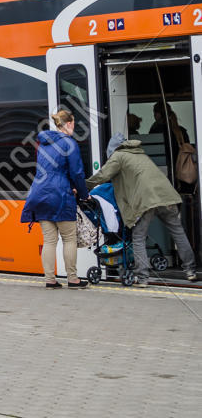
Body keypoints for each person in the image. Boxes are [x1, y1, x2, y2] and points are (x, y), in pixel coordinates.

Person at [89, 135, 199, 284]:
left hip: (147, 200)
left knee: (138, 237)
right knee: (178, 232)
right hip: (167, 196)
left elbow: (102, 176)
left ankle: (142, 277)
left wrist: (83, 187)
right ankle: (191, 270)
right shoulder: (140, 154)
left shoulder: (118, 155)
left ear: (111, 150)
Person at [20, 110, 90, 288]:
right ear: (68, 124)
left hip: (40, 193)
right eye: (73, 123)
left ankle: (50, 279)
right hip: (61, 195)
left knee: (49, 240)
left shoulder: (43, 143)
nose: (74, 127)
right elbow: (77, 172)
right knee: (69, 238)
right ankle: (73, 279)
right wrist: (83, 194)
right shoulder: (69, 143)